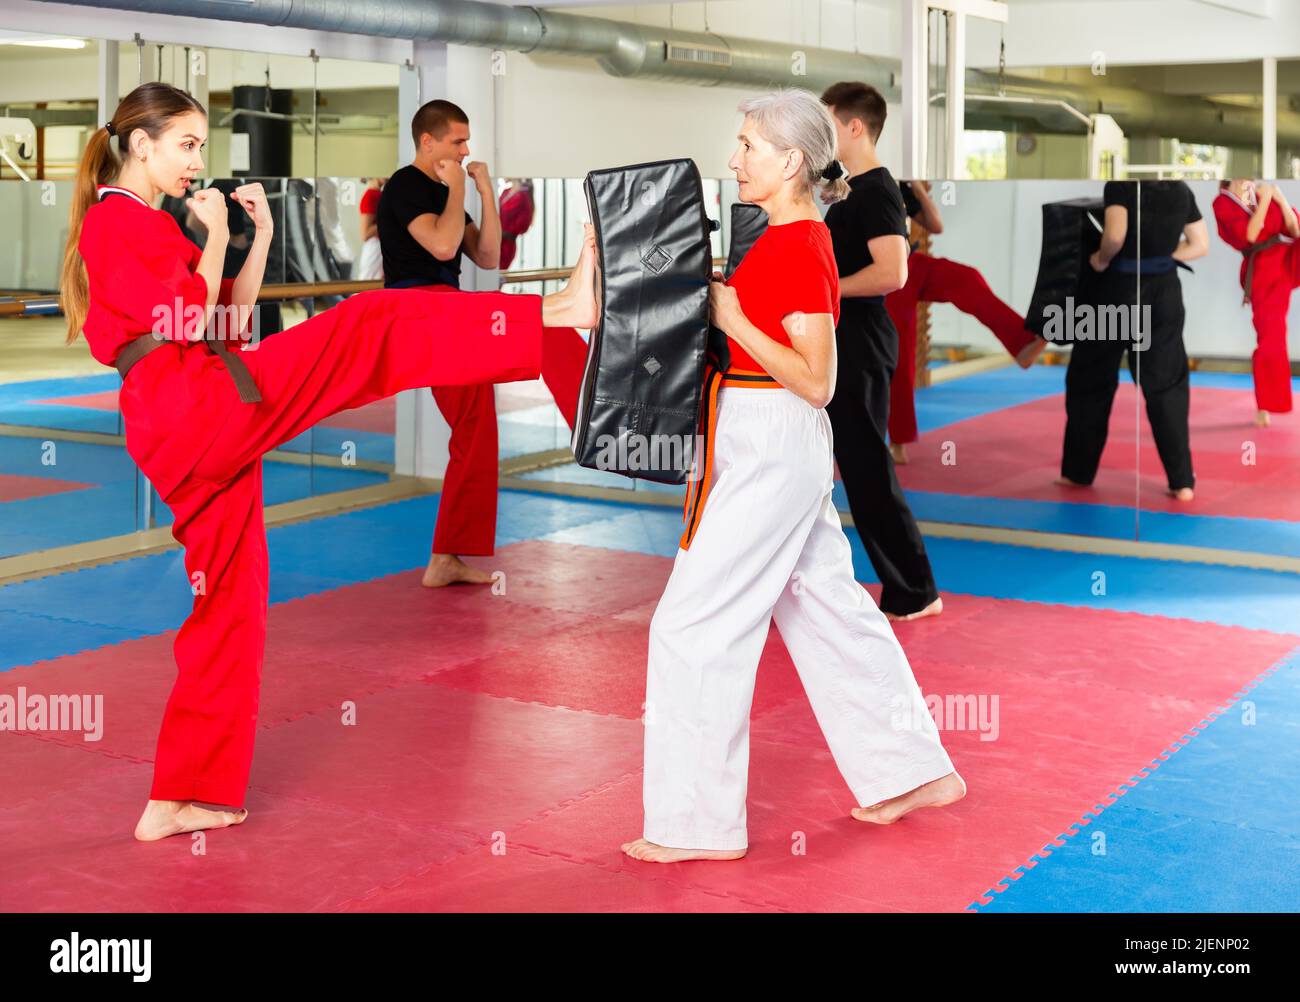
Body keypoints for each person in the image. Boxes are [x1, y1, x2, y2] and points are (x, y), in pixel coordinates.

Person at [61, 82, 598, 842]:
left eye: (201, 149)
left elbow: (228, 319)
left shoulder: (146, 224)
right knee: (376, 323)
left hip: (199, 405)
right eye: (185, 146)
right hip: (194, 405)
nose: (196, 163)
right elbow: (179, 318)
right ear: (139, 144)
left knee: (231, 599)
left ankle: (188, 794)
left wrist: (259, 233)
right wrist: (212, 236)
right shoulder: (114, 223)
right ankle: (551, 316)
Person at [622, 88, 964, 865]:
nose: (735, 158)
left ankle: (693, 825)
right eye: (738, 144)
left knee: (692, 625)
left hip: (772, 438)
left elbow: (818, 380)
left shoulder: (803, 242)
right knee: (828, 613)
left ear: (792, 160)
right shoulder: (778, 236)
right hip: (758, 435)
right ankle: (911, 771)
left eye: (748, 145)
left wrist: (734, 320)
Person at [378, 101, 589, 587]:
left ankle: (446, 556)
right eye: (457, 141)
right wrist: (455, 190)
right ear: (428, 142)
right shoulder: (408, 185)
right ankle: (593, 419)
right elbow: (444, 247)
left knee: (476, 430)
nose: (466, 149)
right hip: (420, 315)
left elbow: (489, 255)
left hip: (448, 312)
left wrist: (485, 191)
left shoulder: (446, 192)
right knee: (538, 324)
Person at [819, 81, 941, 621]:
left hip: (862, 341)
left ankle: (916, 590)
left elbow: (893, 272)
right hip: (840, 337)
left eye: (828, 125)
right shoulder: (852, 188)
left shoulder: (878, 188)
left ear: (854, 127)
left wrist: (827, 288)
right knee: (831, 462)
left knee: (867, 467)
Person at [1058, 180, 1208, 501]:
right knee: (1166, 385)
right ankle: (1181, 482)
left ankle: (1077, 473)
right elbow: (1200, 245)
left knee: (1092, 381)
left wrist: (1099, 258)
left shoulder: (1122, 186)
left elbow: (1114, 235)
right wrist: (1161, 255)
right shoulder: (1180, 190)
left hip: (1115, 291)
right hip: (1163, 294)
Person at [885, 179, 1048, 464]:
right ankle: (898, 442)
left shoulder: (900, 185)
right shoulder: (869, 183)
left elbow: (935, 225)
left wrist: (917, 188)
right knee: (902, 348)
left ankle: (1022, 343)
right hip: (885, 272)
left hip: (911, 263)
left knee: (966, 279)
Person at [1213, 179, 1300, 426]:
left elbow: (1295, 231)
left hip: (1285, 259)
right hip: (1263, 270)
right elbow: (1250, 234)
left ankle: (1267, 404)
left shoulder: (1261, 192)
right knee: (1271, 338)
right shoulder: (1222, 203)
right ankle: (1266, 405)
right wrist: (1265, 200)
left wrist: (1279, 199)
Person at [497, 178, 535, 271]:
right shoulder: (506, 192)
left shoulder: (523, 197)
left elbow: (524, 226)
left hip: (505, 248)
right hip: (494, 242)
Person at [354, 176, 385, 281]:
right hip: (375, 248)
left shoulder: (378, 195)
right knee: (367, 285)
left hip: (380, 248)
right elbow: (365, 233)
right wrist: (390, 219)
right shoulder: (371, 196)